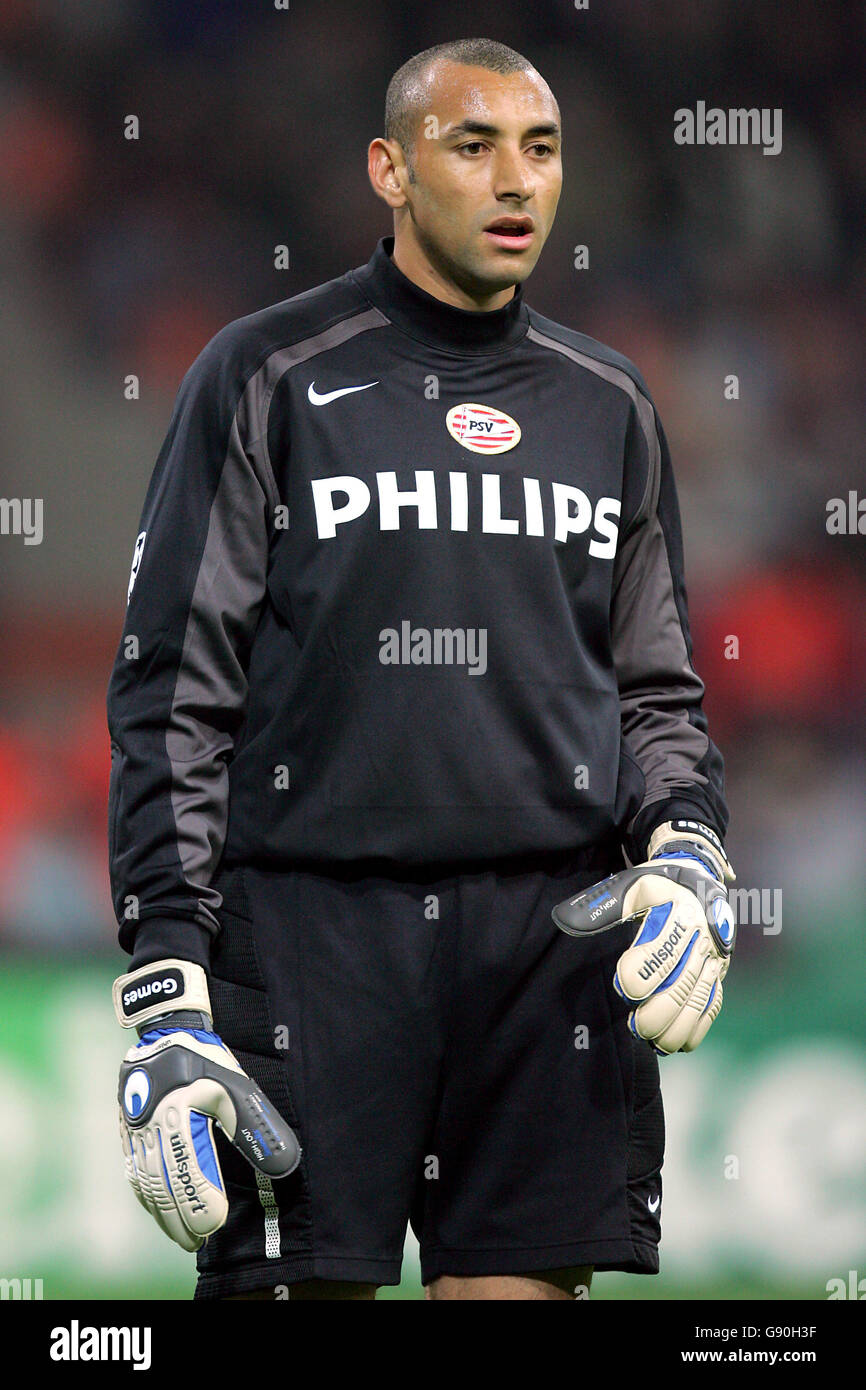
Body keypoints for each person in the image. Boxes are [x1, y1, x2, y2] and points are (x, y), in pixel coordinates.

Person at [107, 37, 734, 1302]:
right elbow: (172, 693)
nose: (516, 182)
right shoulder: (264, 373)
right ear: (389, 170)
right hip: (306, 938)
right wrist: (168, 985)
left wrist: (687, 842)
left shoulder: (608, 402)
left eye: (541, 149)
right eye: (473, 144)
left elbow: (655, 690)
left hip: (547, 947)